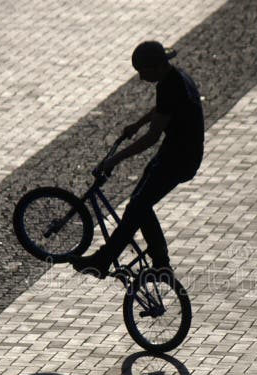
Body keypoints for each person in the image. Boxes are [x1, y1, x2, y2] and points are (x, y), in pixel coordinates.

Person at [69, 41, 204, 278]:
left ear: (158, 66)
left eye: (143, 71)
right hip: (177, 154)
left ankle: (105, 260)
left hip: (178, 159)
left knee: (137, 207)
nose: (141, 78)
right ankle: (160, 261)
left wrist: (115, 159)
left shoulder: (169, 86)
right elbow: (162, 110)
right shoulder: (175, 78)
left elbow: (151, 138)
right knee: (139, 204)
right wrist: (137, 124)